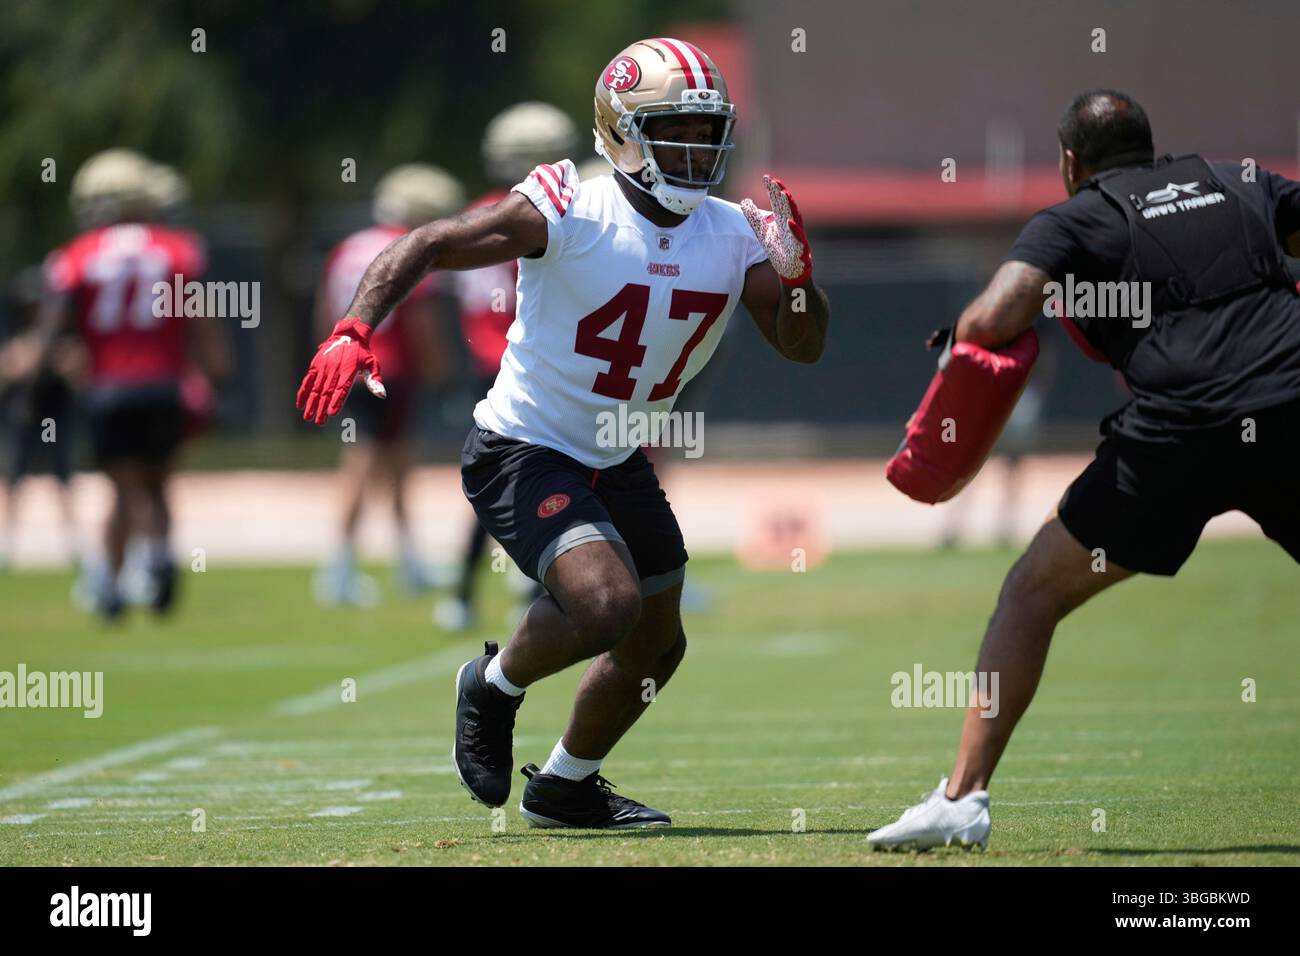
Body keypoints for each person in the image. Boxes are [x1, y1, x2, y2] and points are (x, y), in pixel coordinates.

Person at [297, 38, 830, 828]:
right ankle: (492, 684)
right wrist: (353, 326)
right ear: (622, 131)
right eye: (674, 128)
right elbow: (431, 243)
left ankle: (566, 785)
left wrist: (796, 282)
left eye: (706, 130)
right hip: (525, 446)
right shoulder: (568, 203)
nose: (696, 148)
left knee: (658, 644)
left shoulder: (733, 231)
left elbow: (803, 344)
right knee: (607, 605)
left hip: (617, 451)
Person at [870, 90, 1300, 850]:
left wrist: (960, 351)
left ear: (1072, 162)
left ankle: (962, 798)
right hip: (1291, 407)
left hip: (1178, 435)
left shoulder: (1075, 216)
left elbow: (994, 318)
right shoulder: (1244, 180)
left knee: (1032, 591)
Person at [33, 150, 228, 618]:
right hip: (163, 385)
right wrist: (217, 370)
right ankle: (158, 562)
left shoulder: (76, 254)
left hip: (109, 388)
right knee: (158, 483)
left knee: (121, 489)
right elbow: (199, 320)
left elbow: (55, 323)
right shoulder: (178, 247)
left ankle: (110, 584)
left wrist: (41, 364)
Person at [435, 103, 577, 631]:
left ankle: (464, 594)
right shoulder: (547, 214)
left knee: (494, 486)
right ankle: (532, 581)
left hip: (487, 364)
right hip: (534, 366)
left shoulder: (478, 211)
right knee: (564, 475)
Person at [312, 164, 465, 606]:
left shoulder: (348, 246)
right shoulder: (408, 247)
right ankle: (338, 567)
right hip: (387, 369)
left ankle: (408, 559)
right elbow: (421, 321)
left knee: (396, 462)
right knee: (364, 463)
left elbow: (327, 308)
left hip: (352, 365)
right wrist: (441, 374)